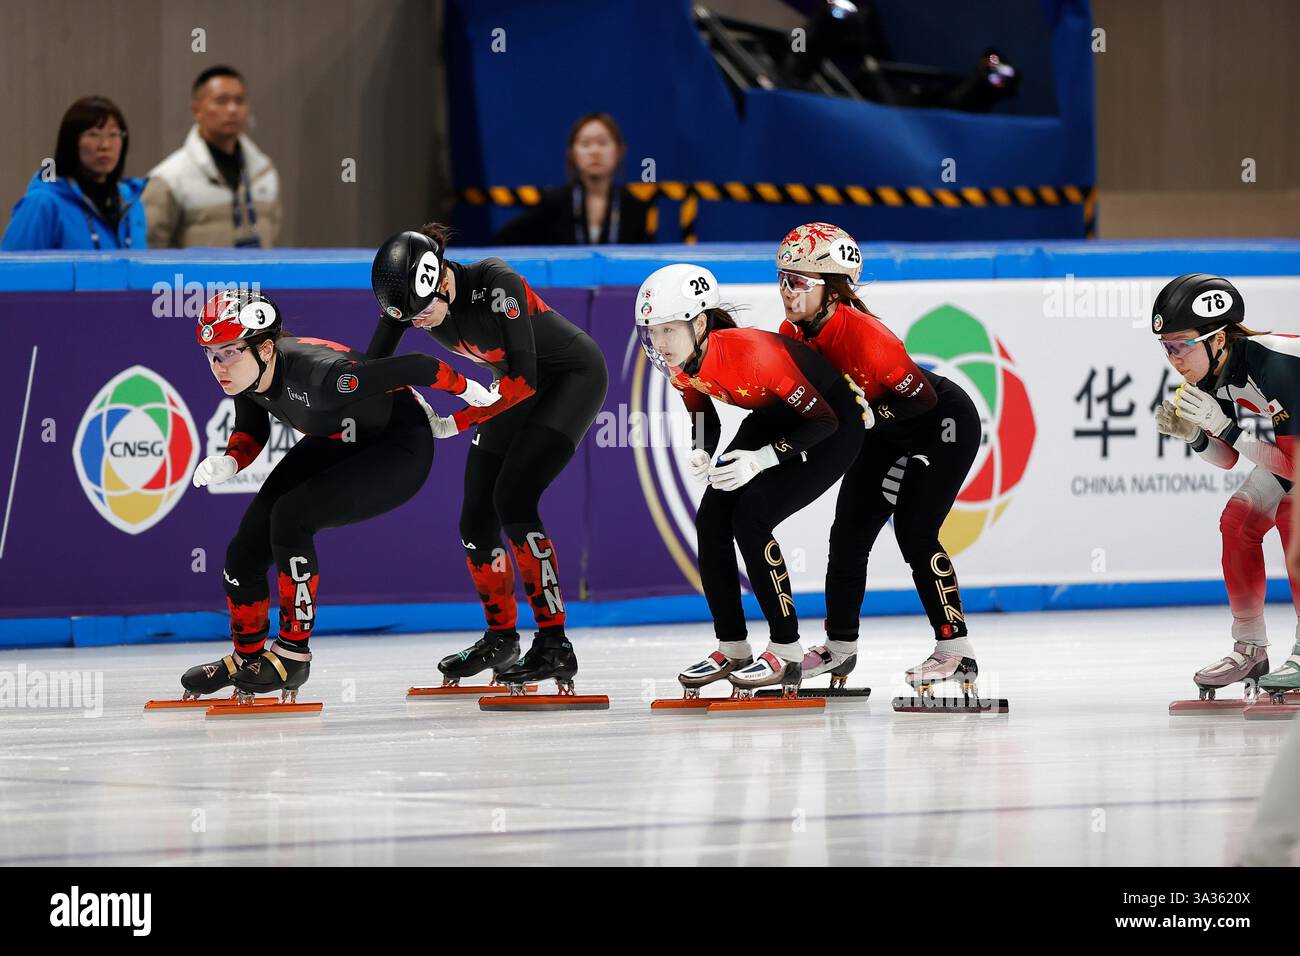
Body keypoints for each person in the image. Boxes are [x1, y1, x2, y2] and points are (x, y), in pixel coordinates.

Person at [181, 289, 498, 702]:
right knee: (244, 550)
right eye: (211, 355)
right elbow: (252, 428)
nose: (218, 366)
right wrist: (230, 462)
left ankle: (293, 655)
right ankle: (248, 658)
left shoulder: (321, 375)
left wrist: (473, 394)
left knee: (291, 516)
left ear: (264, 347)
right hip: (340, 438)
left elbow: (420, 366)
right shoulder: (250, 371)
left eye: (228, 353)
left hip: (397, 447)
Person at [369, 225, 609, 693]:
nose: (418, 324)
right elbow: (369, 366)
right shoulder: (410, 297)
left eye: (423, 315)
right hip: (513, 386)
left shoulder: (498, 284)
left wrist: (457, 421)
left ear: (440, 281)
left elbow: (524, 379)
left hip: (569, 379)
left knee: (514, 499)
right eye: (409, 319)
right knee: (475, 516)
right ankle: (501, 638)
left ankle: (555, 644)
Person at [774, 222, 986, 701]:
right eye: (783, 278)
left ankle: (957, 648)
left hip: (941, 421)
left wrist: (870, 415)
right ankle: (839, 646)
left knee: (915, 531)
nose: (787, 292)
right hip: (884, 428)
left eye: (798, 281)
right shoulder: (794, 331)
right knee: (847, 533)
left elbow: (924, 398)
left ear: (831, 289)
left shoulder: (866, 337)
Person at [636, 263, 867, 698]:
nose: (660, 344)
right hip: (775, 416)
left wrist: (761, 459)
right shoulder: (680, 363)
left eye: (668, 330)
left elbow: (823, 420)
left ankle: (787, 650)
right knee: (711, 519)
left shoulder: (752, 353)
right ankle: (733, 647)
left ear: (699, 323)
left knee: (752, 517)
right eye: (652, 332)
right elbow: (702, 411)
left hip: (833, 425)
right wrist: (703, 448)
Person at [1152, 273, 1300, 702]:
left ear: (1218, 339)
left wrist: (1226, 429)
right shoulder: (1210, 375)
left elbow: (1293, 467)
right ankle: (1250, 648)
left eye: (1181, 345)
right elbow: (1228, 458)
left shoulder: (1278, 365)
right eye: (1167, 347)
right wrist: (1198, 436)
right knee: (1238, 521)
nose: (1173, 358)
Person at [142, 65, 282, 248]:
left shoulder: (263, 169)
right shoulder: (169, 178)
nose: (232, 109)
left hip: (258, 276)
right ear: (197, 110)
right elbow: (151, 248)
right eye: (221, 101)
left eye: (239, 101)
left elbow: (273, 230)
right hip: (196, 277)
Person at [1, 96, 147, 251]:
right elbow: (13, 270)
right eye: (93, 134)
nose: (105, 145)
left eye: (113, 134)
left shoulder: (131, 203)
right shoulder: (44, 202)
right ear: (71, 142)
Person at [493, 113, 654, 245]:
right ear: (572, 153)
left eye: (603, 143)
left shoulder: (635, 207)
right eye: (585, 144)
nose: (594, 151)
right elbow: (503, 241)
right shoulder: (553, 204)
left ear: (620, 151)